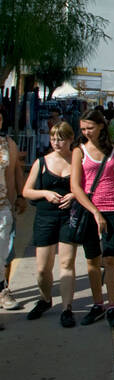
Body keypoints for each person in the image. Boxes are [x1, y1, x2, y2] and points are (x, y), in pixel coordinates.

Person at [70, 106, 114, 330]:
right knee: (92, 259)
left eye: (90, 128)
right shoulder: (79, 150)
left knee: (112, 258)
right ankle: (98, 303)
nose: (86, 132)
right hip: (89, 209)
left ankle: (112, 305)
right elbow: (75, 186)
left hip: (113, 208)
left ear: (101, 126)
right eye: (83, 129)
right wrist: (94, 212)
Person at [22, 121, 77, 324]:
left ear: (70, 139)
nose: (56, 142)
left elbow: (87, 187)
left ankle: (67, 308)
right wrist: (45, 193)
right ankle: (45, 299)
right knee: (43, 268)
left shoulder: (77, 161)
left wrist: (73, 195)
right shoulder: (41, 162)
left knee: (66, 263)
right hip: (45, 217)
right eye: (53, 138)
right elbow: (27, 191)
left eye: (60, 139)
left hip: (68, 216)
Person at [0, 105, 26, 318]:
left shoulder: (8, 144)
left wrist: (20, 195)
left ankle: (3, 290)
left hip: (3, 207)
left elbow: (17, 170)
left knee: (4, 252)